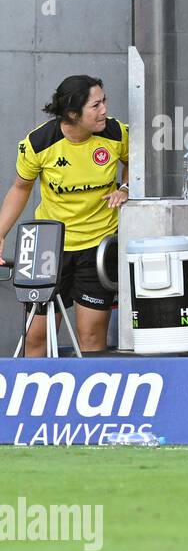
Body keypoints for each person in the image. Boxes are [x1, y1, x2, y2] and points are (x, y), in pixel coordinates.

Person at [0, 76, 128, 355]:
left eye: (104, 101)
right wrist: (0, 234)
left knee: (92, 338)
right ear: (73, 113)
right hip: (49, 244)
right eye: (96, 105)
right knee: (36, 337)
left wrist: (126, 188)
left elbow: (134, 161)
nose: (105, 109)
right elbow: (20, 188)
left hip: (97, 244)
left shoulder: (116, 133)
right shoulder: (39, 142)